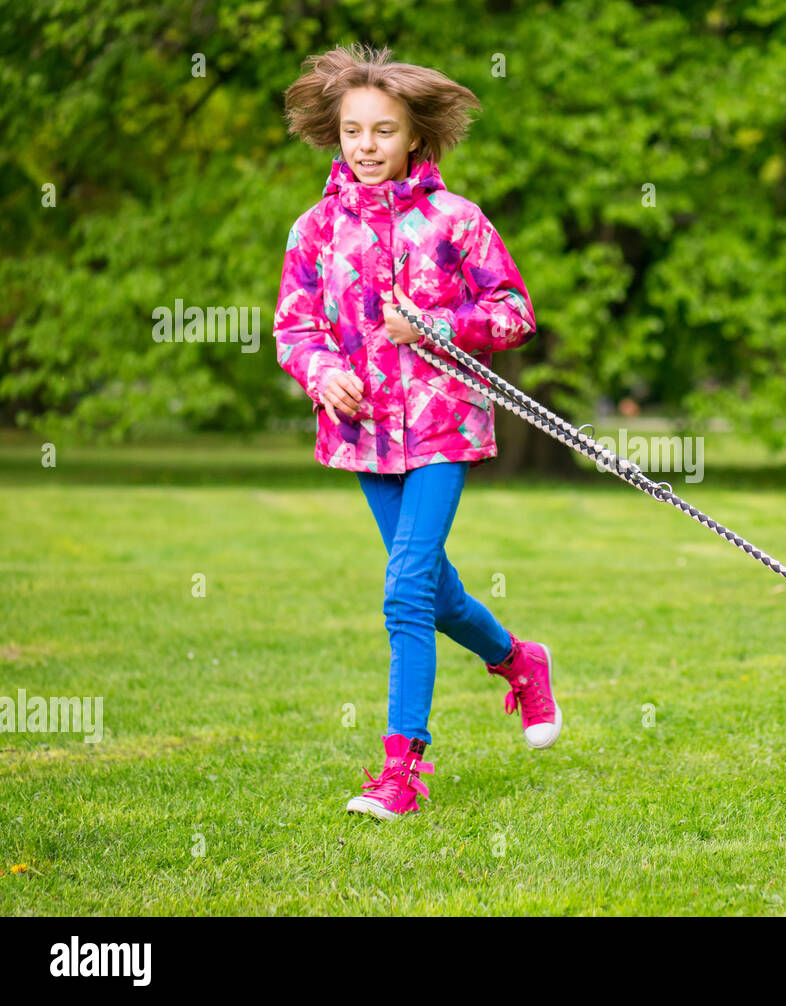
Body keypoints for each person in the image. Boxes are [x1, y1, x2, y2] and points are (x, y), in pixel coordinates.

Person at [273, 43, 561, 821]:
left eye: (383, 131)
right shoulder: (314, 231)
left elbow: (515, 313)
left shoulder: (455, 220)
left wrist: (434, 325)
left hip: (441, 430)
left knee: (404, 592)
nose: (366, 146)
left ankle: (400, 773)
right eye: (353, 131)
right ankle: (518, 660)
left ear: (414, 139)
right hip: (361, 435)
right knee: (434, 591)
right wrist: (320, 371)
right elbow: (293, 329)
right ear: (336, 135)